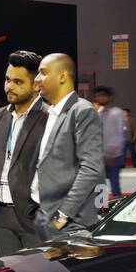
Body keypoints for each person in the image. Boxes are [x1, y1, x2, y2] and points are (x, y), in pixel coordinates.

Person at [29, 53, 104, 239]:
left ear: (62, 76)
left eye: (43, 73)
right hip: (45, 216)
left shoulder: (82, 110)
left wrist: (62, 216)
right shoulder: (50, 114)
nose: (37, 79)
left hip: (68, 223)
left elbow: (91, 169)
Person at [0, 50, 46, 257]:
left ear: (36, 85)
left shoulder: (50, 117)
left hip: (33, 216)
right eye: (7, 79)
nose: (9, 86)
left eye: (18, 82)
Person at [93, 84, 126, 197]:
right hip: (100, 155)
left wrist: (113, 153)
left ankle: (118, 205)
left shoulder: (116, 113)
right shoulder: (98, 113)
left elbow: (119, 134)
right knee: (99, 185)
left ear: (110, 97)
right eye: (98, 96)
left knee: (114, 183)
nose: (100, 98)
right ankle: (101, 206)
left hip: (114, 156)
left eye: (102, 95)